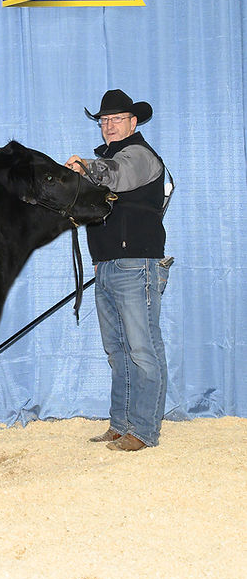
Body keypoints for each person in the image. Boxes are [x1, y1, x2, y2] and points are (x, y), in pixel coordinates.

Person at [65, 89, 172, 452]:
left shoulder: (139, 156)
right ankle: (121, 423)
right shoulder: (106, 161)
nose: (108, 126)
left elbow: (118, 175)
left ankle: (143, 431)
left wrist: (85, 168)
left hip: (136, 264)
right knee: (118, 349)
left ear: (133, 122)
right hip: (109, 264)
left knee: (142, 349)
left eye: (116, 119)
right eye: (103, 121)